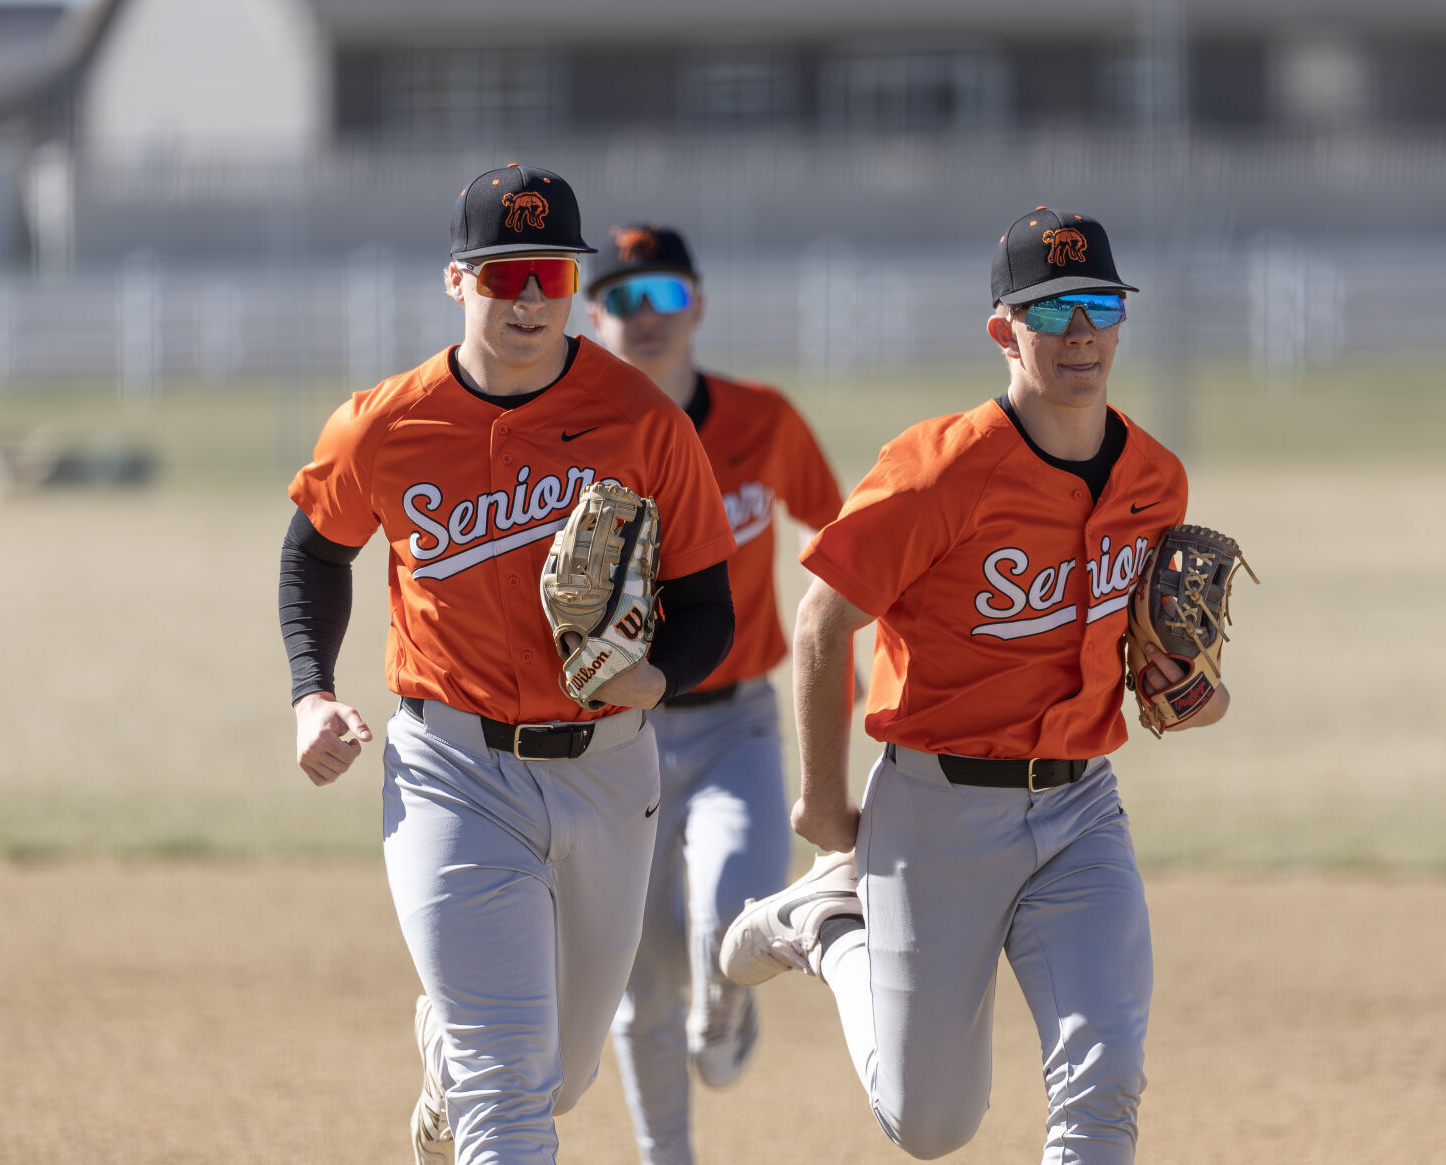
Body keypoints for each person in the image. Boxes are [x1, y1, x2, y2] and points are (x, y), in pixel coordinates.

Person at [718, 208, 1230, 1164]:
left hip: (1081, 812)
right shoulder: (939, 470)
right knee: (930, 1124)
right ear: (1005, 330)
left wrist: (1188, 689)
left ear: (1121, 321)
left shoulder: (1155, 478)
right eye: (1053, 310)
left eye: (1098, 304)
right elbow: (825, 618)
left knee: (1105, 1074)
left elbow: (1143, 650)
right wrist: (825, 804)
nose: (1080, 331)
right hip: (935, 813)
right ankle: (829, 924)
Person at [277, 165, 737, 1165]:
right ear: (457, 281)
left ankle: (452, 1056)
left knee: (558, 1076)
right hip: (453, 767)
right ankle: (474, 1064)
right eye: (503, 274)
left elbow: (709, 607)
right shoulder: (387, 422)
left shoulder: (645, 422)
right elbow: (316, 549)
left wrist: (657, 679)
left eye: (550, 274)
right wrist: (313, 691)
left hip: (611, 770)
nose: (529, 298)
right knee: (510, 1091)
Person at [581, 224, 844, 1165]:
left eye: (664, 295)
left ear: (697, 303)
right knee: (636, 976)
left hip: (736, 718)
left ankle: (726, 1001)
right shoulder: (575, 434)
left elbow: (844, 538)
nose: (645, 317)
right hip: (617, 735)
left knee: (732, 909)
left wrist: (862, 652)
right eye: (622, 297)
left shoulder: (761, 419)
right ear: (590, 313)